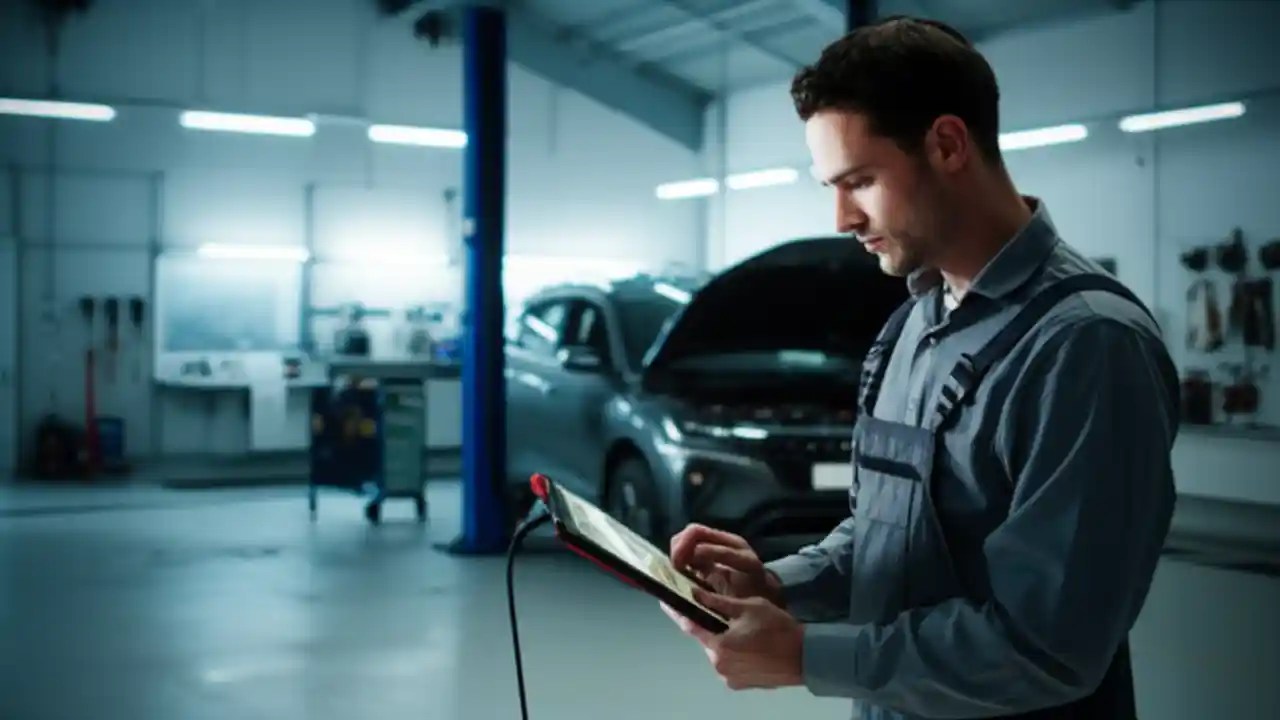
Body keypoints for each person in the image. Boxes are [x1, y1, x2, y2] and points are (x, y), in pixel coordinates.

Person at [662, 15, 1179, 720]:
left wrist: (804, 655)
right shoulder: (915, 323)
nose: (842, 217)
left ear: (946, 144)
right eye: (830, 188)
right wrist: (780, 586)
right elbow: (890, 530)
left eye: (861, 181)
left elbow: (1050, 646)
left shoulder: (1086, 348)